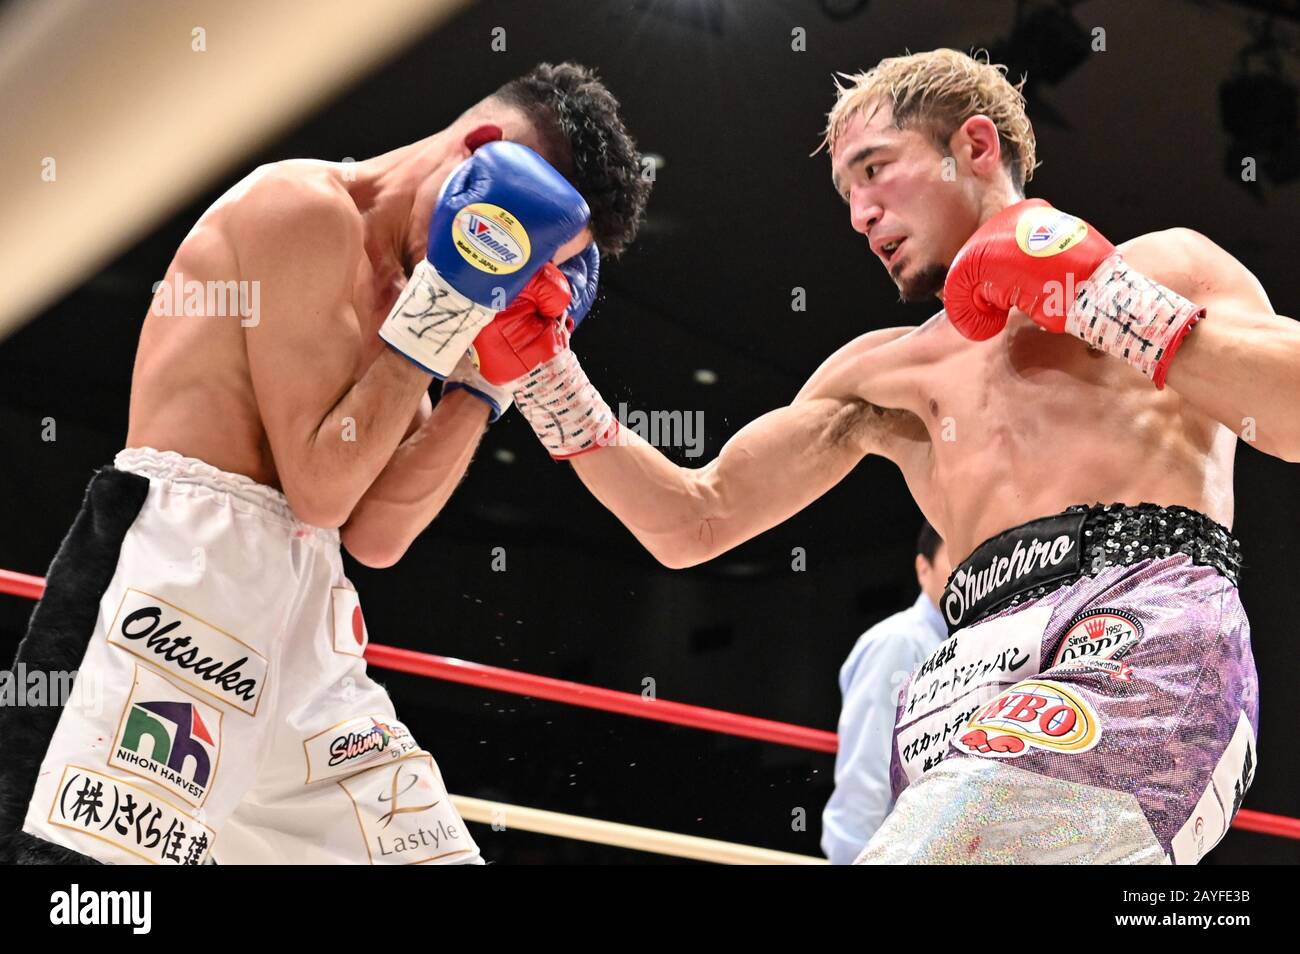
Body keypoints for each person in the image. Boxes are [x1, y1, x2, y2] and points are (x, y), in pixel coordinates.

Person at [468, 48, 1300, 863]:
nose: (859, 214)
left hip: (1142, 638)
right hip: (967, 685)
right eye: (845, 192)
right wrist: (546, 376)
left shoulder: (1159, 266)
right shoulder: (882, 374)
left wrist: (1108, 301)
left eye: (875, 169)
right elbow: (694, 521)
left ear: (974, 147)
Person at [0, 62, 650, 865]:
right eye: (510, 238)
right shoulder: (299, 209)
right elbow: (320, 487)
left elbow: (376, 535)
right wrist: (450, 298)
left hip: (311, 635)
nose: (507, 269)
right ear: (481, 149)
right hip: (172, 593)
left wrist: (488, 378)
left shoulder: (418, 294)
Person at [822, 520, 949, 864]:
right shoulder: (899, 642)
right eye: (957, 556)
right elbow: (866, 767)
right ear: (924, 568)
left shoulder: (971, 645)